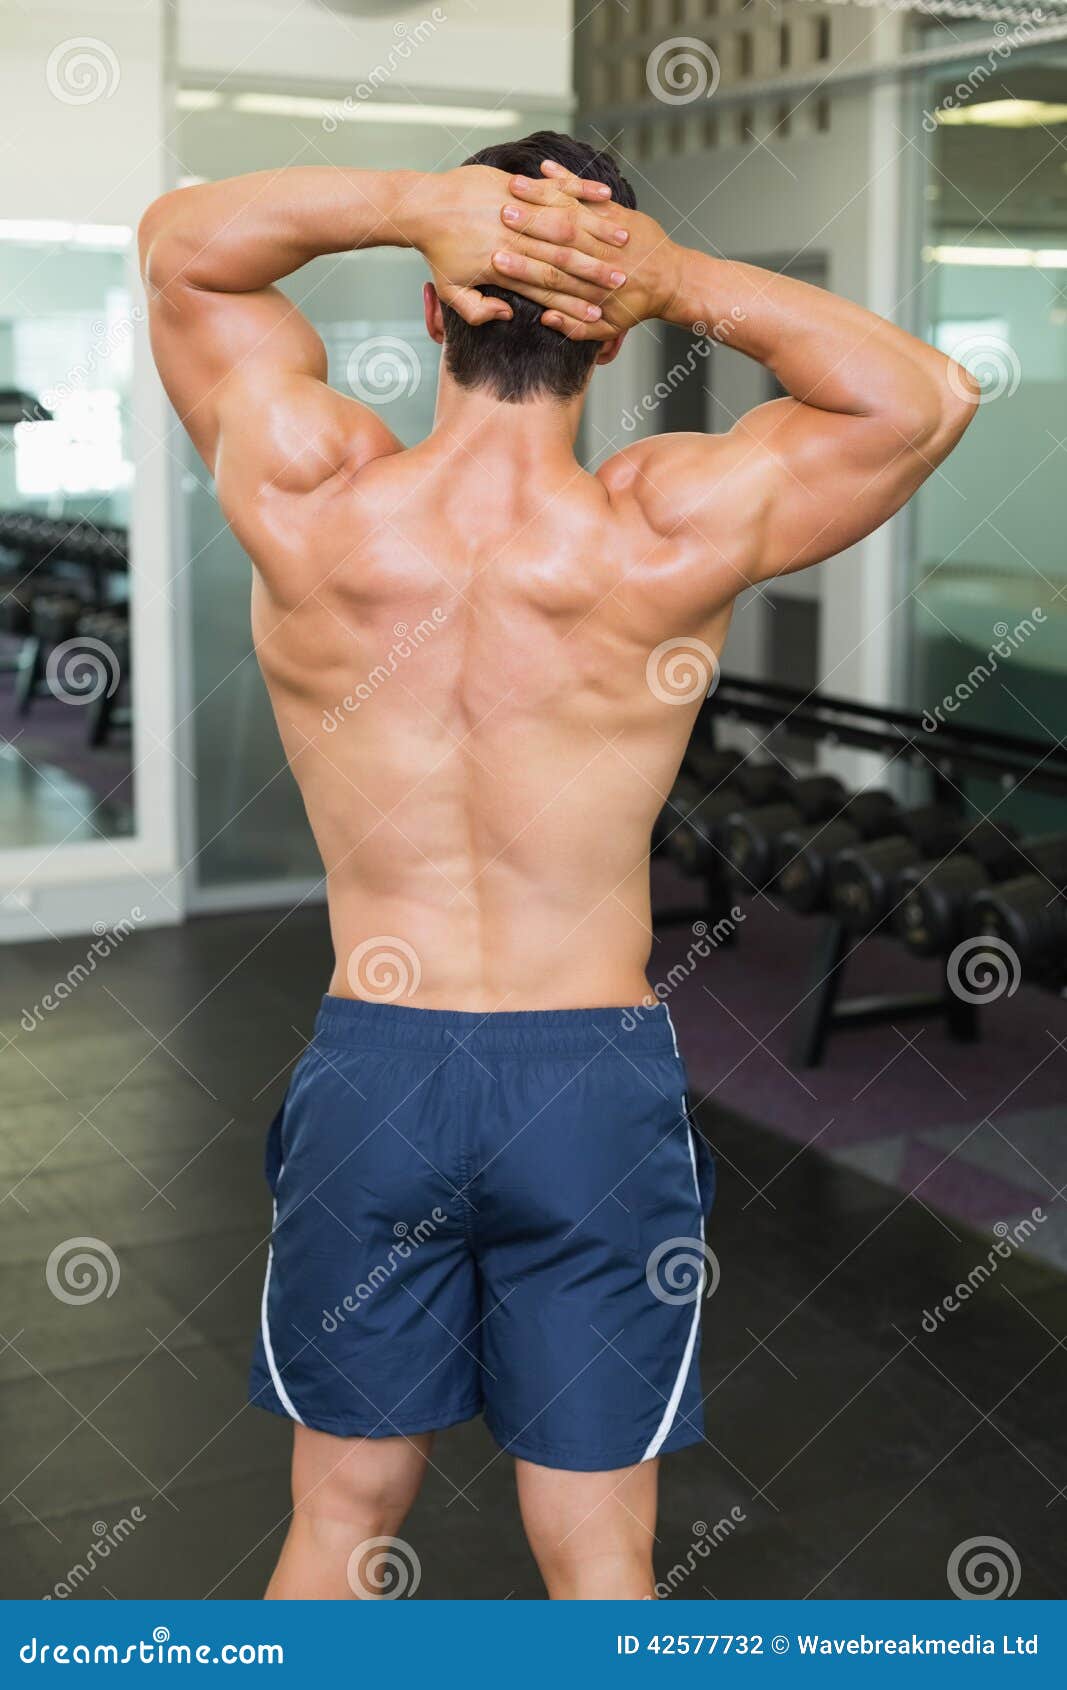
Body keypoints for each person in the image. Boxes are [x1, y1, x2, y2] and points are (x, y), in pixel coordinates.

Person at [139, 131, 978, 1601]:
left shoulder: (312, 493)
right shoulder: (664, 526)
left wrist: (410, 204)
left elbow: (181, 247)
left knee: (340, 1523)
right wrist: (678, 280)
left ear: (433, 308)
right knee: (599, 1552)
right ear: (605, 335)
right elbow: (927, 396)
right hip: (586, 1079)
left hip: (378, 1062)